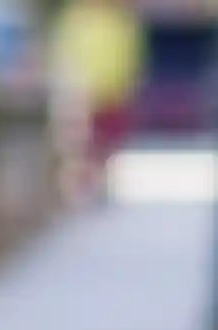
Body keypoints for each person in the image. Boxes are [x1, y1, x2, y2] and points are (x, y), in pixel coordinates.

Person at [52, 0, 146, 201]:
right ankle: (76, 191)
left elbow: (132, 54)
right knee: (80, 145)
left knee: (107, 143)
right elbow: (66, 53)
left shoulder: (123, 18)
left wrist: (128, 84)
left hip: (114, 93)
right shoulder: (79, 15)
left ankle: (99, 185)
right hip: (84, 93)